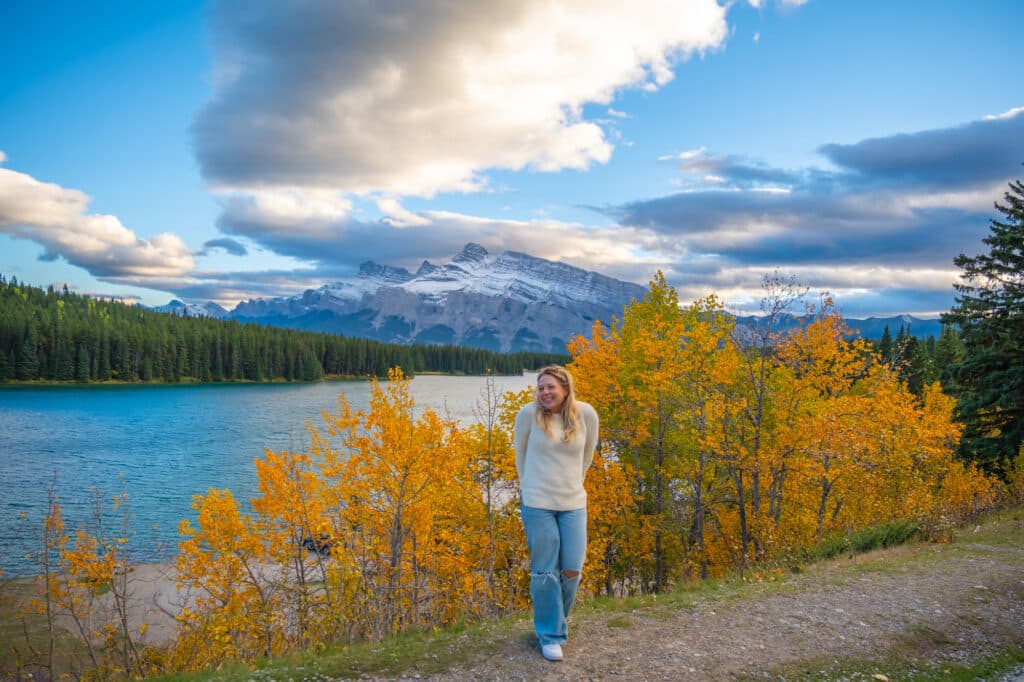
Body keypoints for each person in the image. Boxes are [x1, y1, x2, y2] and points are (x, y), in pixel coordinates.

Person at [514, 365, 599, 662]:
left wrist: (573, 483)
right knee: (544, 571)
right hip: (537, 503)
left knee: (572, 570)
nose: (545, 392)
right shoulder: (528, 415)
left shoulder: (586, 414)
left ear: (565, 388)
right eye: (540, 388)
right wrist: (529, 489)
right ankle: (550, 634)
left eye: (550, 387)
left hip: (573, 503)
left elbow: (587, 455)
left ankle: (554, 621)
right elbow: (520, 455)